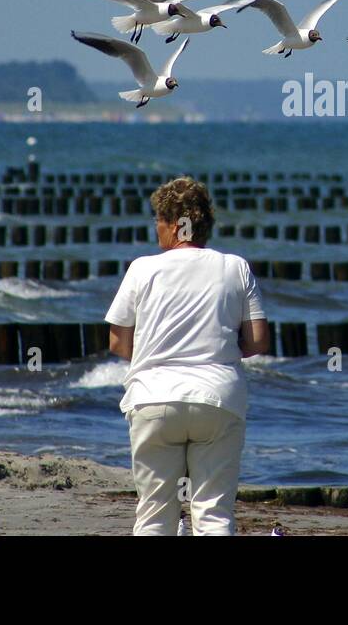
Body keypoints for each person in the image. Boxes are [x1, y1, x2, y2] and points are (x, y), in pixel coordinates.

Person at [106, 177, 270, 535]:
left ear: (175, 223)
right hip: (217, 399)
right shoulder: (235, 267)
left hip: (154, 398)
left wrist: (155, 352)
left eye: (158, 221)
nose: (156, 229)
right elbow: (258, 341)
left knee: (154, 515)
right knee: (214, 514)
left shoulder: (142, 268)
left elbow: (118, 343)